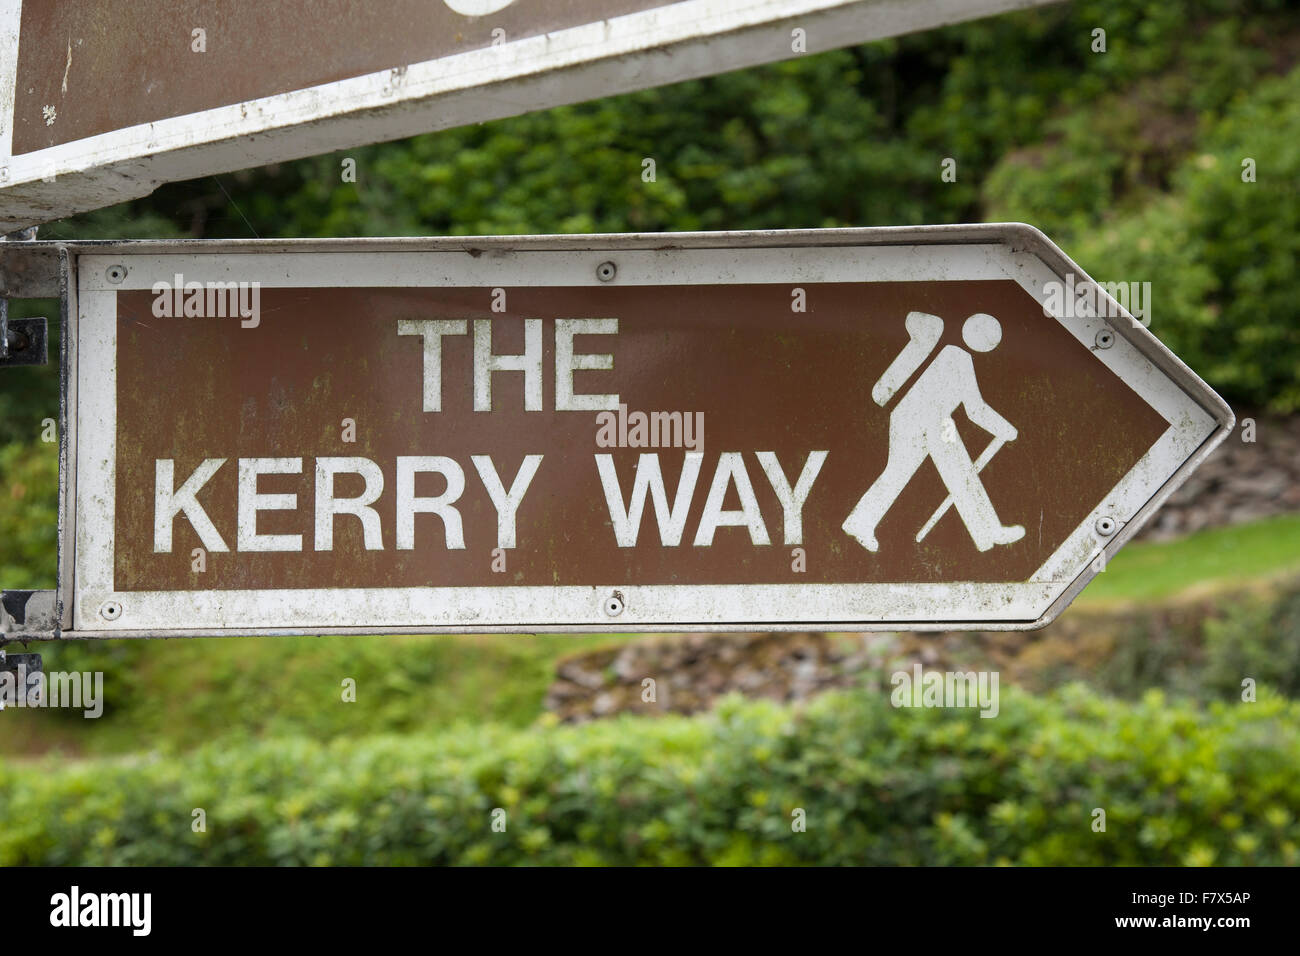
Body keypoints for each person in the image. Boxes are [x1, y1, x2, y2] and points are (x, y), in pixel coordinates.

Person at [843, 313, 1023, 553]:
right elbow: (975, 410)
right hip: (932, 422)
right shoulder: (958, 357)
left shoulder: (944, 348)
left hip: (909, 418)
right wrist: (1005, 430)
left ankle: (859, 522)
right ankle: (988, 532)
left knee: (903, 473)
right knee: (959, 472)